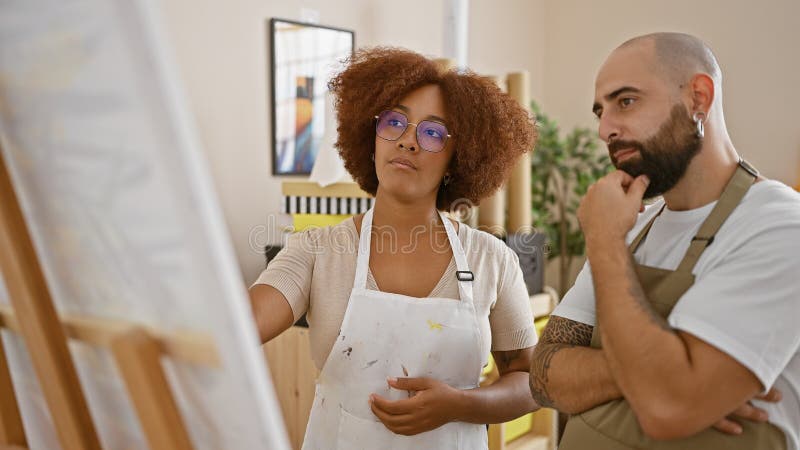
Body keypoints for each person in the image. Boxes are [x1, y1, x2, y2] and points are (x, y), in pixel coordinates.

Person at [250, 47, 540, 449]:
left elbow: (528, 382)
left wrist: (460, 404)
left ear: (460, 159)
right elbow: (243, 323)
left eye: (433, 132)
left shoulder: (492, 260)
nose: (407, 141)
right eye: (394, 122)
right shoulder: (317, 250)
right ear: (371, 139)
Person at [529, 32, 800, 450]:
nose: (604, 130)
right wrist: (659, 373)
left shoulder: (779, 226)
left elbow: (666, 406)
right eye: (601, 111)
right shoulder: (629, 226)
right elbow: (544, 378)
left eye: (626, 101)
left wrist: (602, 241)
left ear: (698, 98)